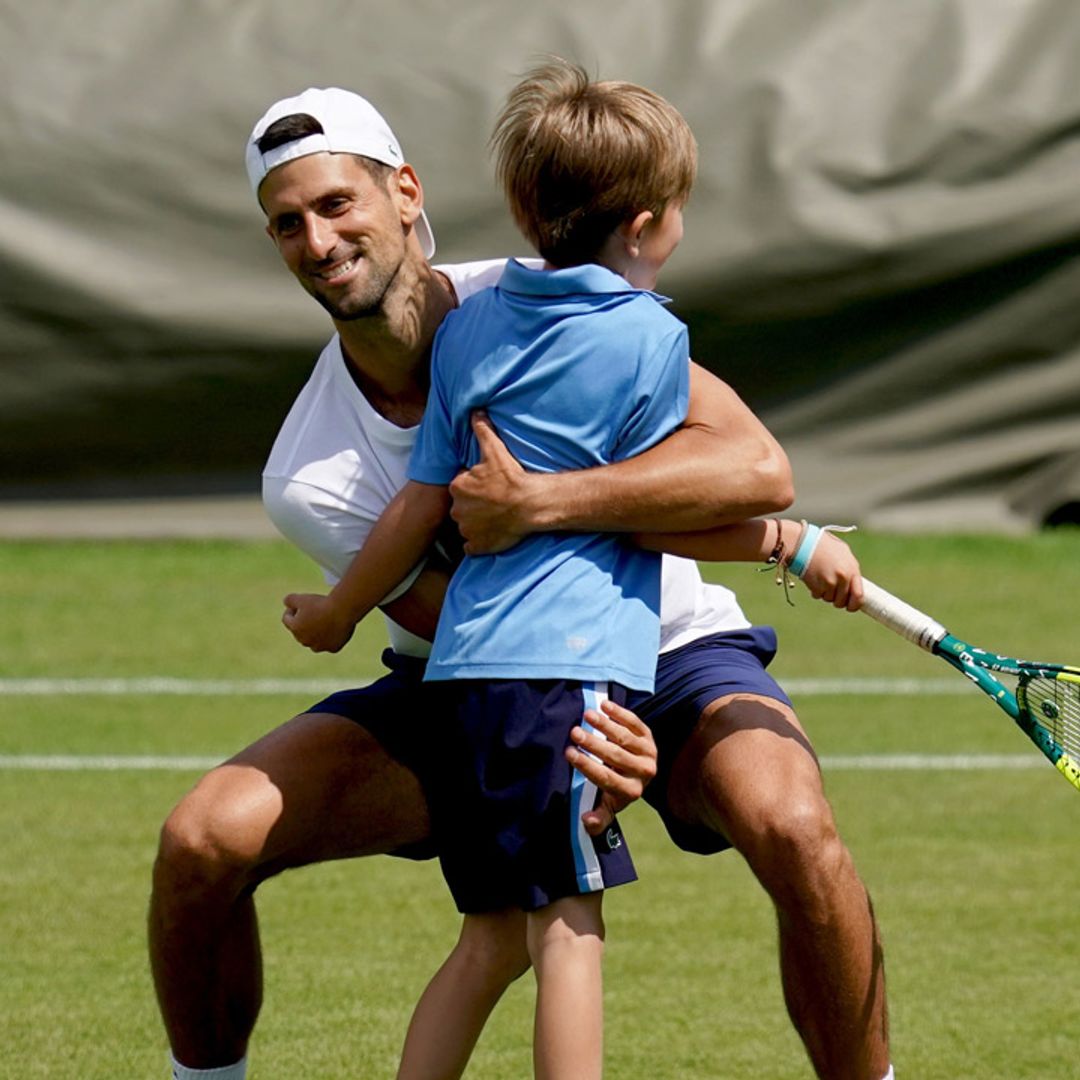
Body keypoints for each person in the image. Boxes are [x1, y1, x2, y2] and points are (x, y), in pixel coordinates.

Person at [148, 77, 894, 1080]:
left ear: (404, 192)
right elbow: (467, 619)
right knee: (204, 838)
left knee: (793, 825)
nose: (317, 242)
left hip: (669, 652)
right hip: (480, 681)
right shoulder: (306, 472)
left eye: (336, 206)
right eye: (287, 224)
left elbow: (753, 467)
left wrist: (549, 505)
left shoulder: (546, 285)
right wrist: (578, 717)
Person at [281, 62, 698, 1080]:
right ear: (645, 227)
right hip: (569, 677)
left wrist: (339, 612)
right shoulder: (653, 337)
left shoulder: (468, 329)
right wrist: (791, 542)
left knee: (490, 939)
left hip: (459, 683)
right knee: (569, 930)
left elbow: (418, 504)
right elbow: (671, 503)